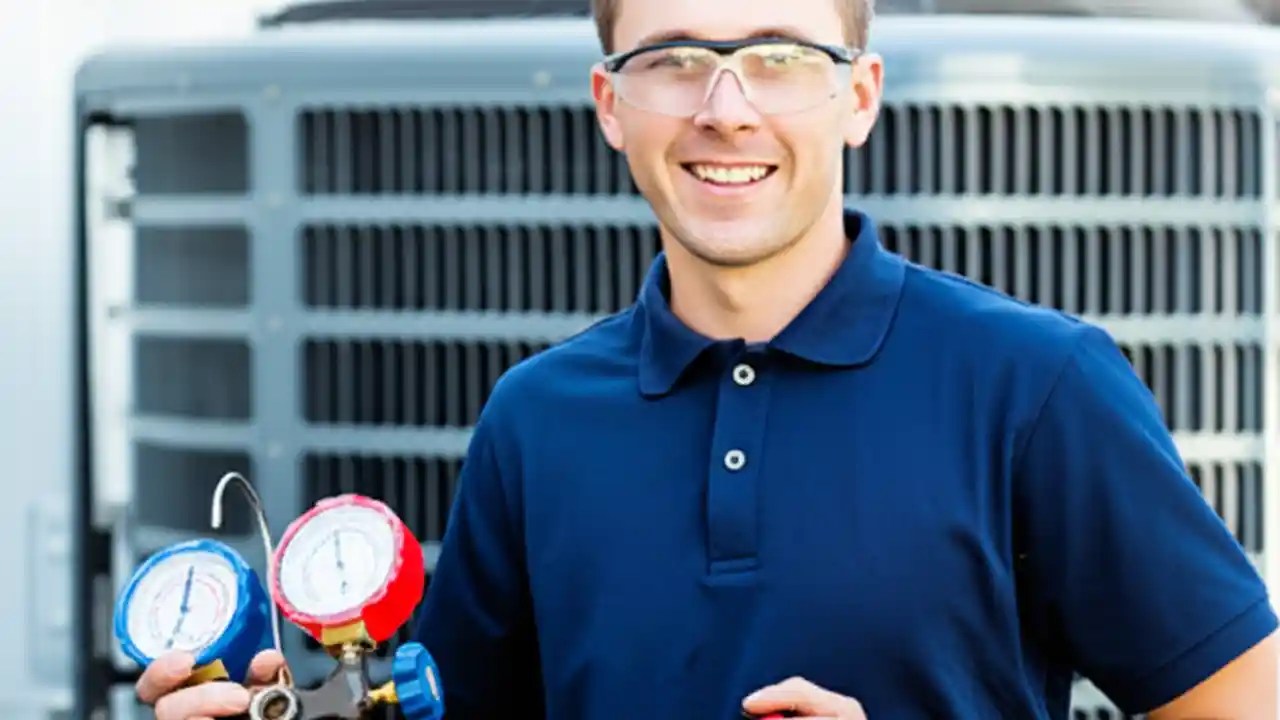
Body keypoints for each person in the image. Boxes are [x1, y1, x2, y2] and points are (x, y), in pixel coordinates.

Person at [135, 0, 1280, 717]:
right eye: (674, 58)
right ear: (608, 105)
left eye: (778, 57)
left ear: (858, 97)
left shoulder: (1037, 387)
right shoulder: (535, 420)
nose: (724, 110)